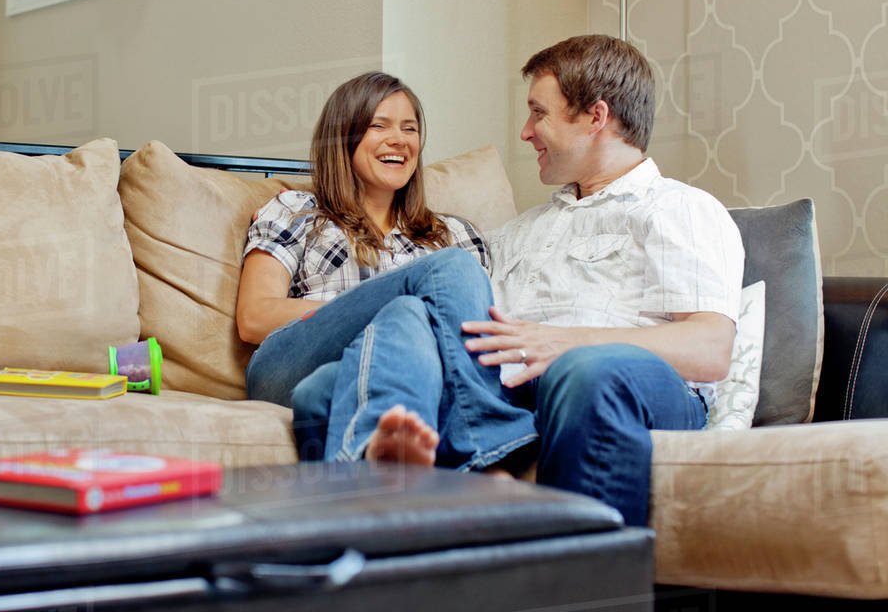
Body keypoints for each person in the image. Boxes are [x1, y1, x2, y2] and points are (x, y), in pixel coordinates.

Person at [292, 34, 745, 527]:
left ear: (596, 118)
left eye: (538, 113)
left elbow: (709, 349)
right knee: (329, 386)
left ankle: (564, 564)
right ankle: (388, 554)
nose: (526, 132)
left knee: (587, 370)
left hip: (624, 386)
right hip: (511, 392)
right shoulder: (517, 232)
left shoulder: (679, 208)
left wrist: (566, 343)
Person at [238, 72, 536, 470]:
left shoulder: (456, 234)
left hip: (372, 374)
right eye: (379, 125)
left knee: (338, 379)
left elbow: (473, 338)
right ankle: (489, 449)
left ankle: (375, 466)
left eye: (409, 129)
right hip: (288, 364)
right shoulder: (295, 211)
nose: (399, 139)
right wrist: (378, 300)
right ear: (344, 136)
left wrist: (402, 309)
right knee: (424, 291)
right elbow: (254, 317)